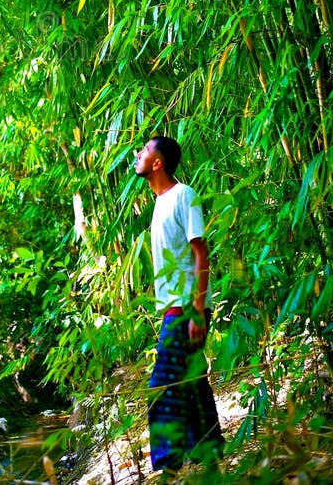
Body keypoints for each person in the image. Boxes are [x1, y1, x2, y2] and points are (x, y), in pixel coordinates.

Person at [134, 135, 224, 475]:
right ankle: (211, 454)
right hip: (175, 308)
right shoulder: (159, 203)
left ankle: (167, 467)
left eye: (144, 151)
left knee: (162, 388)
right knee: (192, 380)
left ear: (157, 163)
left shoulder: (183, 195)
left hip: (186, 309)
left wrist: (198, 312)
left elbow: (201, 252)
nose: (139, 155)